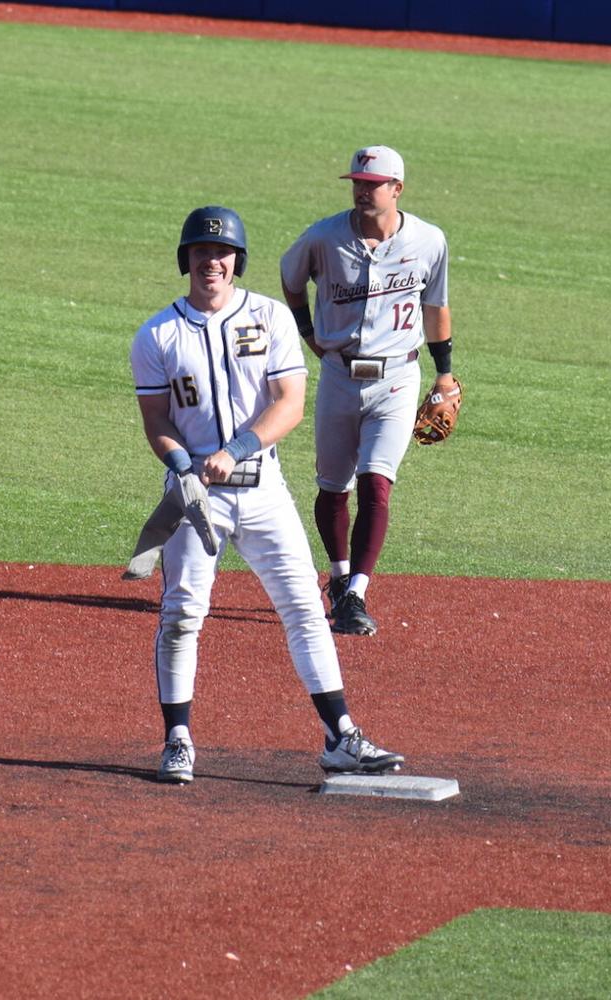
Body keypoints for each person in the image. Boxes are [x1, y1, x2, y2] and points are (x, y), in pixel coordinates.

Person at [130, 204, 405, 784]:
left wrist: (235, 450)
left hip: (263, 493)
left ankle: (340, 736)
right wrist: (182, 464)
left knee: (305, 608)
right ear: (187, 260)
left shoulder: (272, 317)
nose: (213, 262)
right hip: (192, 497)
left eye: (223, 253)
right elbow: (156, 417)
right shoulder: (157, 333)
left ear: (238, 261)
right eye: (202, 253)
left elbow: (289, 404)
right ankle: (177, 740)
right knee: (182, 615)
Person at [281, 145, 458, 637]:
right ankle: (337, 578)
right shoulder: (323, 237)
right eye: (357, 182)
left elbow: (436, 307)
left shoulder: (428, 241)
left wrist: (444, 375)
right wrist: (308, 333)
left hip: (399, 378)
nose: (362, 190)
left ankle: (356, 592)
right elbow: (290, 278)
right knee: (332, 486)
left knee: (376, 482)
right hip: (338, 374)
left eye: (373, 183)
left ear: (396, 189)